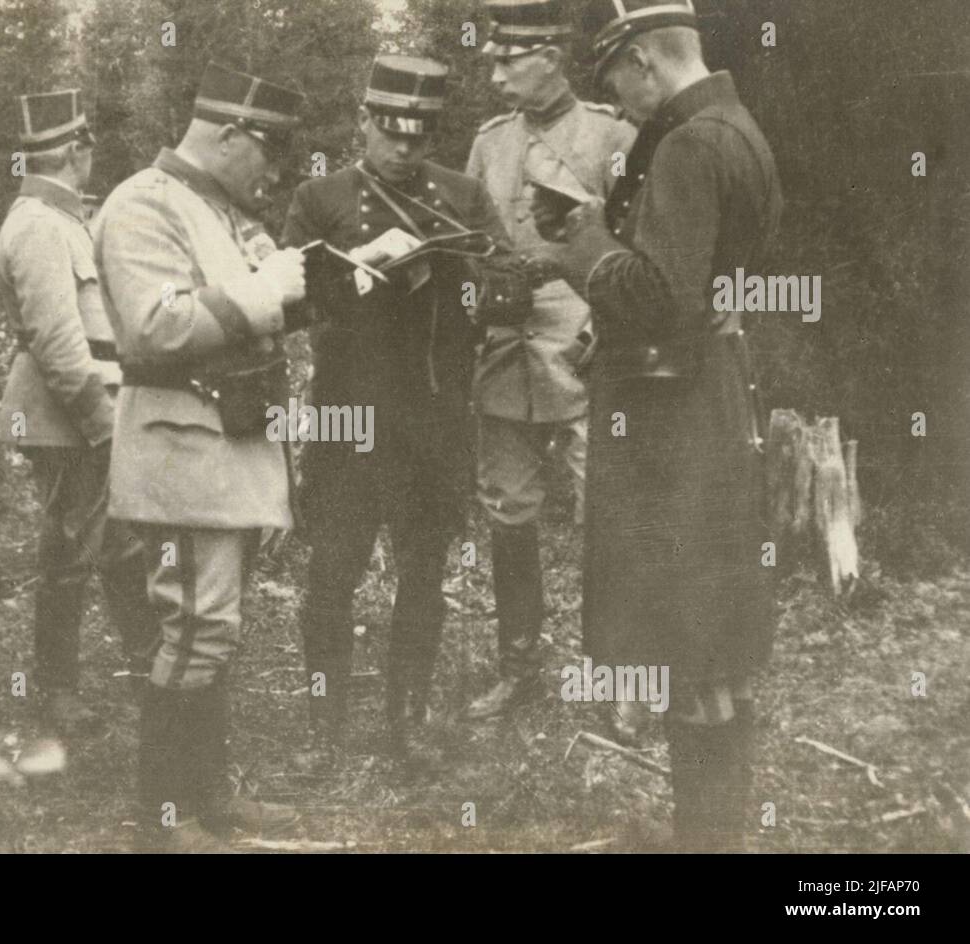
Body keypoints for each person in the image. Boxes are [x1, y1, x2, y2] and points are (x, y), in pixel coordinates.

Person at [554, 0, 782, 851]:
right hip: (713, 400)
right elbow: (717, 286)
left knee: (691, 638)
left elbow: (661, 301)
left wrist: (582, 244)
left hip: (673, 422)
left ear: (645, 61)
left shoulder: (687, 145)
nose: (614, 100)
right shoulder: (738, 126)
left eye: (615, 76)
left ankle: (708, 843)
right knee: (712, 637)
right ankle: (714, 836)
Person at [281, 55, 515, 771]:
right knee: (332, 573)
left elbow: (508, 294)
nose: (406, 149)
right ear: (363, 123)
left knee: (423, 573)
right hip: (349, 416)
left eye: (421, 137)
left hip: (433, 419)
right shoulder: (320, 197)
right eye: (392, 133)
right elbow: (289, 300)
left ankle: (406, 724)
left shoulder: (463, 195)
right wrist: (360, 269)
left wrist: (462, 271)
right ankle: (324, 731)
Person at [93, 63, 305, 851]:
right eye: (270, 151)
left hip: (225, 451)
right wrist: (263, 291)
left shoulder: (213, 207)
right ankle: (164, 822)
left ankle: (209, 802)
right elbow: (154, 328)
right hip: (182, 453)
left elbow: (253, 318)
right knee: (192, 629)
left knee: (216, 629)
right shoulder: (142, 203)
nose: (277, 171)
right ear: (230, 134)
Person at [463, 0, 637, 721]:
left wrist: (609, 326)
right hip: (506, 351)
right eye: (496, 59)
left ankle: (623, 680)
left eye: (512, 60)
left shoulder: (613, 134)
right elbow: (475, 242)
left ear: (553, 58)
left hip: (589, 345)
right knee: (510, 514)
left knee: (614, 511)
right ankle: (519, 668)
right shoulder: (490, 143)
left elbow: (638, 253)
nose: (498, 73)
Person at [0, 90, 155, 733]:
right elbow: (61, 347)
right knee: (94, 550)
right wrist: (104, 425)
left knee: (89, 549)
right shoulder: (38, 224)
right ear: (77, 150)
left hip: (74, 413)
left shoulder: (58, 218)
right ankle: (108, 684)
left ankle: (96, 683)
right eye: (89, 147)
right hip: (70, 418)